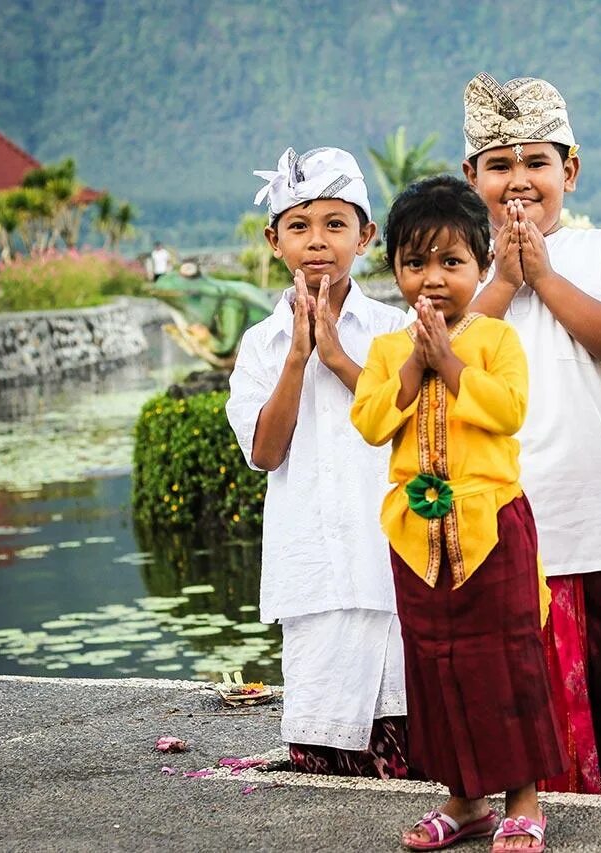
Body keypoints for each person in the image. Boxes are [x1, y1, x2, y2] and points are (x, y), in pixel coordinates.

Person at [463, 72, 601, 796]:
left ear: (570, 172)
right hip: (507, 539)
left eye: (536, 162)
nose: (518, 181)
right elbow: (440, 368)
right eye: (499, 165)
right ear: (472, 176)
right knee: (537, 735)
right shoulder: (461, 272)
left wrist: (546, 278)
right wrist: (501, 281)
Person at [351, 175, 564, 853]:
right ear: (395, 271)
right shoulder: (388, 349)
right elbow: (370, 420)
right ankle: (464, 800)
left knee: (507, 660)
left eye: (451, 262)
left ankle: (523, 799)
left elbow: (507, 412)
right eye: (415, 264)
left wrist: (449, 359)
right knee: (434, 663)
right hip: (417, 537)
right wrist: (416, 366)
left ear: (482, 264)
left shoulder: (496, 340)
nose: (433, 279)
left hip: (492, 527)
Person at [225, 147, 410, 778]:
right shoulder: (260, 344)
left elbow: (411, 423)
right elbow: (265, 451)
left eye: (336, 224)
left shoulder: (397, 328)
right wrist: (298, 357)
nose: (318, 243)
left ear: (366, 236)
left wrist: (336, 356)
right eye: (300, 227)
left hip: (390, 564)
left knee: (407, 756)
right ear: (274, 240)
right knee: (320, 768)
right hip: (313, 573)